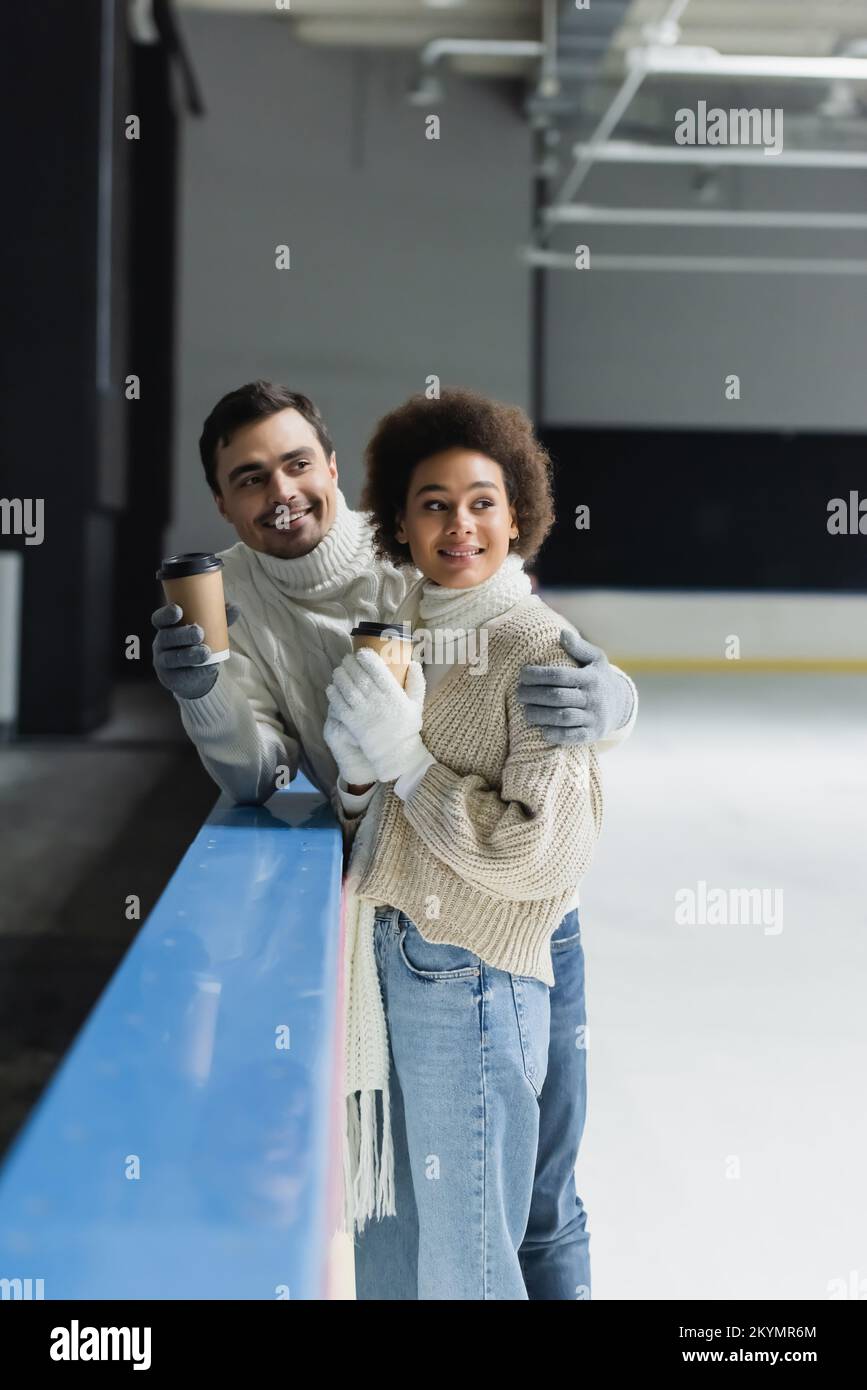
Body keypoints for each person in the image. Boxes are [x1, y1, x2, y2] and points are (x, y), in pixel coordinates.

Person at [323, 387, 630, 1299]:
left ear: (517, 514)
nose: (461, 525)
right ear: (402, 527)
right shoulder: (403, 631)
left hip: (474, 979)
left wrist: (409, 765)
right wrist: (357, 775)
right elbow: (377, 821)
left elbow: (536, 854)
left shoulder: (535, 648)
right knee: (392, 1252)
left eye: (482, 501)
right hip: (393, 959)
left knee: (468, 1263)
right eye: (434, 504)